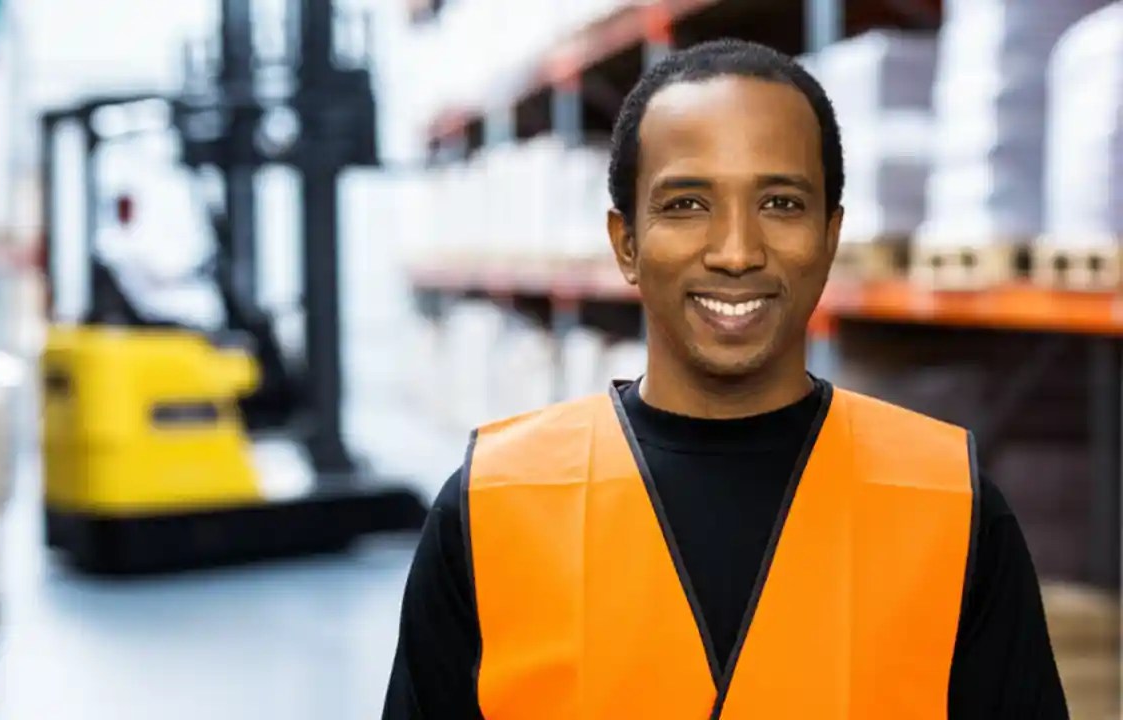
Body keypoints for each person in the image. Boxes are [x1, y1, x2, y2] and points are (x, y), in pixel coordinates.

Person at [383, 39, 1067, 719]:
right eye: (686, 205)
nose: (737, 252)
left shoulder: (954, 505)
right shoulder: (489, 506)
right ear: (626, 243)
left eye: (781, 203)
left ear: (831, 239)